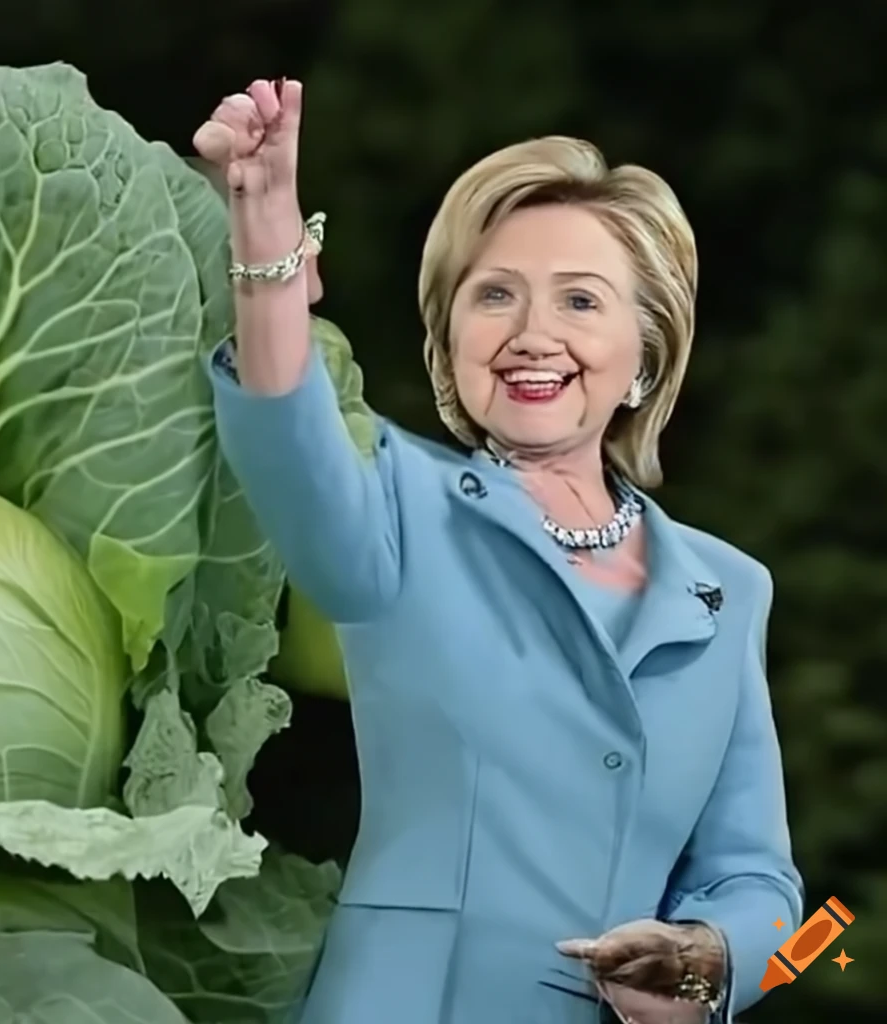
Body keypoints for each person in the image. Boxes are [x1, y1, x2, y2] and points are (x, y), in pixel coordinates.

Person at [193, 78, 804, 1024]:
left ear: (645, 356)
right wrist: (266, 242)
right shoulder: (401, 509)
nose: (532, 336)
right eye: (495, 296)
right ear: (451, 343)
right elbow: (292, 445)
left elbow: (783, 900)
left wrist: (708, 966)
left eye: (579, 300)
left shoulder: (732, 590)